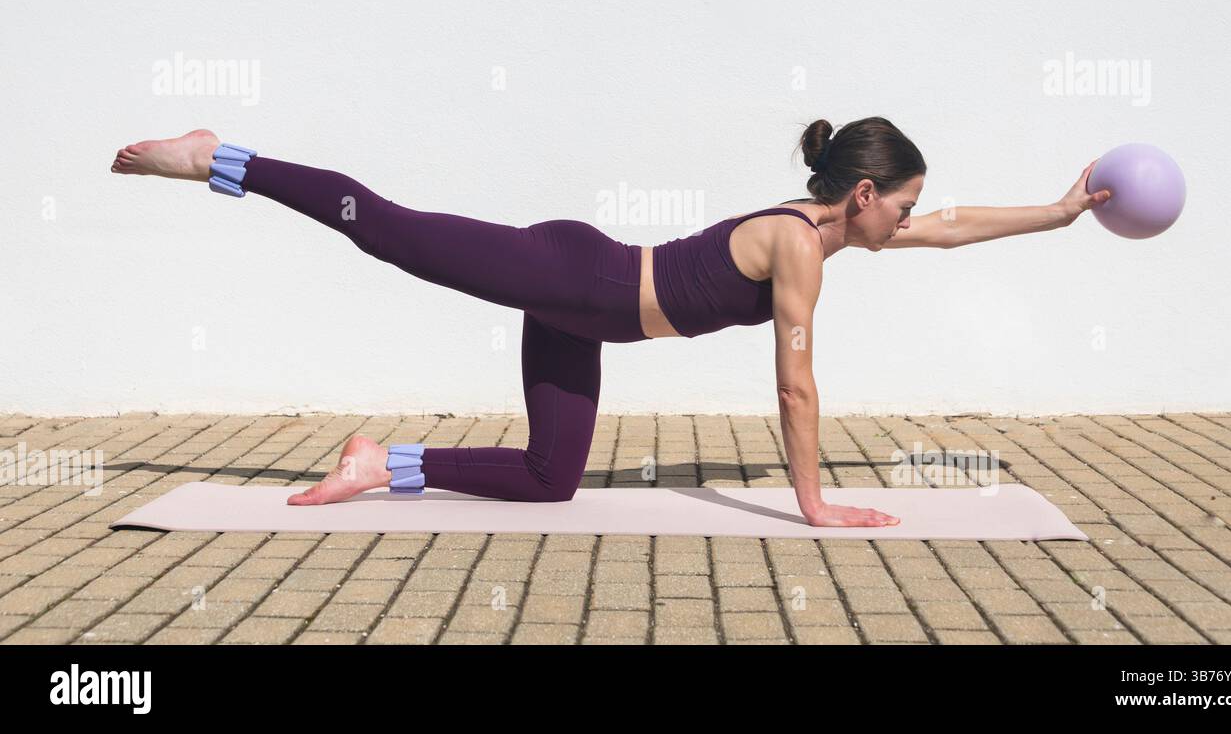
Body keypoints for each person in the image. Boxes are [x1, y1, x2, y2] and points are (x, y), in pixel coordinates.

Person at [110, 116, 1109, 527]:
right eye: (899, 203)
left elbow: (953, 225)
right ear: (859, 192)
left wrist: (1058, 213)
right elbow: (795, 385)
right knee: (391, 231)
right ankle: (220, 159)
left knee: (551, 481)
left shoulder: (837, 231)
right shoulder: (800, 248)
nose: (908, 219)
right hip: (570, 271)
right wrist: (811, 501)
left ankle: (382, 462)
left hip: (582, 317)